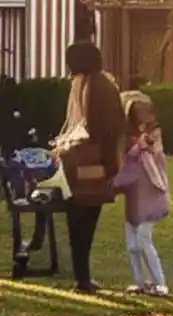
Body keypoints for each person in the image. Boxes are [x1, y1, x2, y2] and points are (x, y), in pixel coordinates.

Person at [60, 42, 125, 293]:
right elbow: (111, 128)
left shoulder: (81, 87)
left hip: (77, 162)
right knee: (87, 219)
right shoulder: (101, 85)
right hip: (96, 164)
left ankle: (82, 275)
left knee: (76, 220)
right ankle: (83, 278)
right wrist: (112, 167)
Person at [113, 91, 170, 296]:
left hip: (150, 197)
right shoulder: (129, 143)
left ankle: (160, 282)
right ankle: (140, 281)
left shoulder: (152, 143)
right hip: (134, 198)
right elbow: (125, 165)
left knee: (144, 239)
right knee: (132, 245)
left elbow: (155, 157)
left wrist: (144, 146)